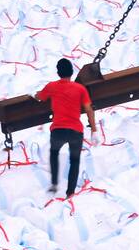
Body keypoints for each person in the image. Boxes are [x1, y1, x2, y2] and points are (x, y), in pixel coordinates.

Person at [35, 58, 96, 197]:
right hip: (76, 132)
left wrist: (35, 94)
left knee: (54, 153)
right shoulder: (80, 89)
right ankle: (70, 193)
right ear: (72, 72)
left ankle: (55, 184)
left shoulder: (51, 86)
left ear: (58, 73)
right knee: (74, 161)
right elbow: (89, 109)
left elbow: (40, 97)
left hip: (58, 131)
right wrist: (94, 130)